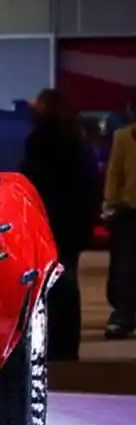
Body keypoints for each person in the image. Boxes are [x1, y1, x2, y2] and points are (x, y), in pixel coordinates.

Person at [21, 89, 99, 360]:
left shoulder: (38, 142)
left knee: (47, 286)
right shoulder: (78, 141)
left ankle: (50, 345)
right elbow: (90, 185)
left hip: (47, 222)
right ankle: (69, 345)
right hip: (73, 223)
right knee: (69, 282)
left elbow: (31, 182)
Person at [104, 96, 136, 339]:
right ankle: (124, 314)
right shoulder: (123, 137)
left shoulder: (122, 136)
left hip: (126, 209)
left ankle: (124, 315)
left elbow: (114, 173)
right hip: (127, 210)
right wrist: (111, 202)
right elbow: (114, 172)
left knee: (125, 265)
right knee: (124, 266)